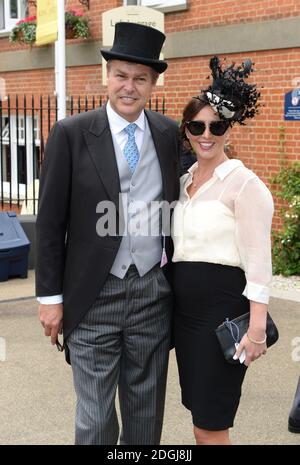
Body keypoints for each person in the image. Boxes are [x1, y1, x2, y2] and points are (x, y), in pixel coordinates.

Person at [36, 22, 181, 445]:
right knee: (95, 419)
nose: (129, 87)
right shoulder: (71, 133)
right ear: (107, 76)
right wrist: (49, 299)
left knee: (145, 416)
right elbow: (49, 224)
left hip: (152, 292)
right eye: (121, 75)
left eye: (140, 78)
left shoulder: (169, 134)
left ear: (153, 83)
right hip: (91, 295)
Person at [171, 56, 274, 445]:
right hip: (186, 319)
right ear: (186, 131)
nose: (206, 134)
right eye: (197, 126)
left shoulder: (245, 185)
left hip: (223, 316)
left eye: (217, 126)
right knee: (199, 417)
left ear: (229, 129)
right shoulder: (184, 181)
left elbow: (258, 261)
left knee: (211, 424)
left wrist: (258, 329)